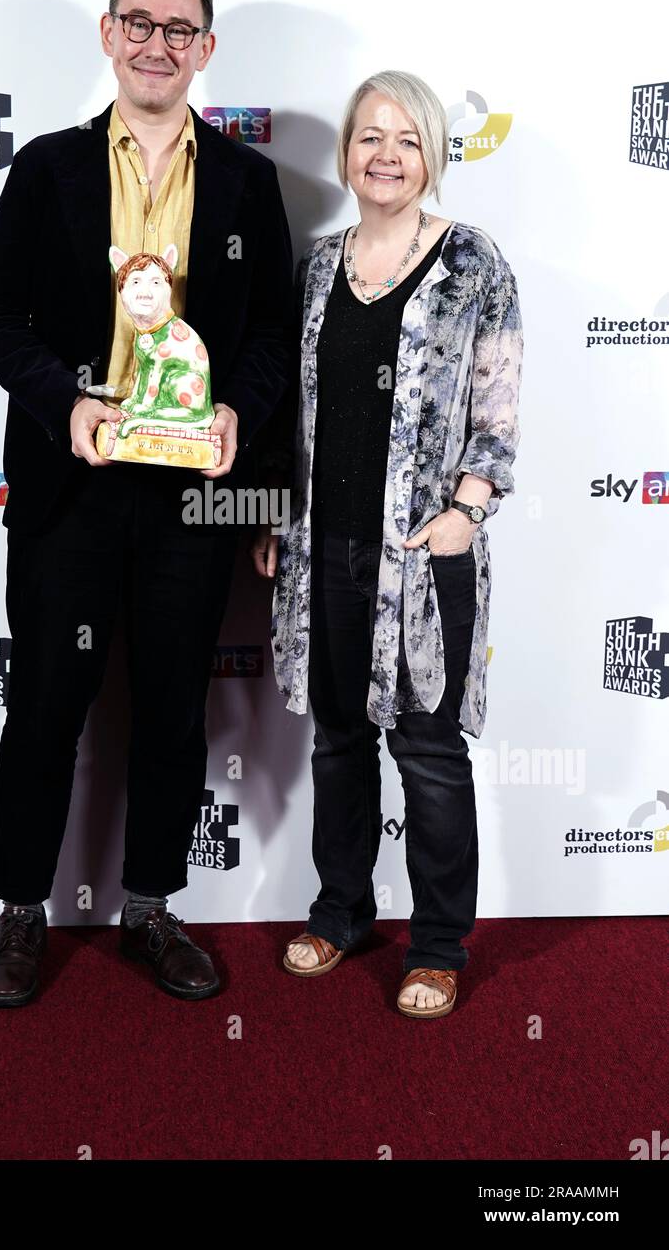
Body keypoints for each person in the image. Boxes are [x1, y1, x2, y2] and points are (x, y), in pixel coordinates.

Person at [0, 0, 293, 1006]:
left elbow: (272, 334)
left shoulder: (248, 181)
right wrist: (67, 406)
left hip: (194, 491)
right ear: (109, 35)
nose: (158, 44)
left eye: (179, 28)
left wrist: (237, 412)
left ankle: (150, 907)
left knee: (169, 707)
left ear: (206, 49)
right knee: (48, 698)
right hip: (74, 484)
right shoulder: (44, 169)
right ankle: (21, 909)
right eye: (138, 23)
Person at [252, 70, 523, 1018]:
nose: (386, 155)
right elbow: (293, 411)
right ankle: (342, 910)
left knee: (431, 750)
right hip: (327, 548)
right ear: (347, 153)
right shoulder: (319, 266)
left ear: (433, 154)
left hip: (423, 550)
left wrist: (469, 510)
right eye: (369, 136)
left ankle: (440, 944)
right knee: (337, 738)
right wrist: (274, 515)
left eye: (406, 139)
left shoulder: (471, 264)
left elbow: (496, 406)